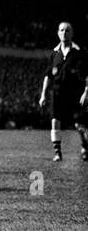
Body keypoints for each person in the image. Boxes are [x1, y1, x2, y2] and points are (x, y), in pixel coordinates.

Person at [38, 22, 87, 162]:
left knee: (80, 124)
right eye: (62, 30)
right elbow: (48, 75)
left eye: (67, 30)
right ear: (58, 33)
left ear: (72, 33)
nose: (64, 33)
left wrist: (86, 92)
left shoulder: (79, 52)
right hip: (57, 93)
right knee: (55, 121)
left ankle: (85, 147)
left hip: (75, 93)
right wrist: (43, 95)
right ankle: (57, 153)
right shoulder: (54, 53)